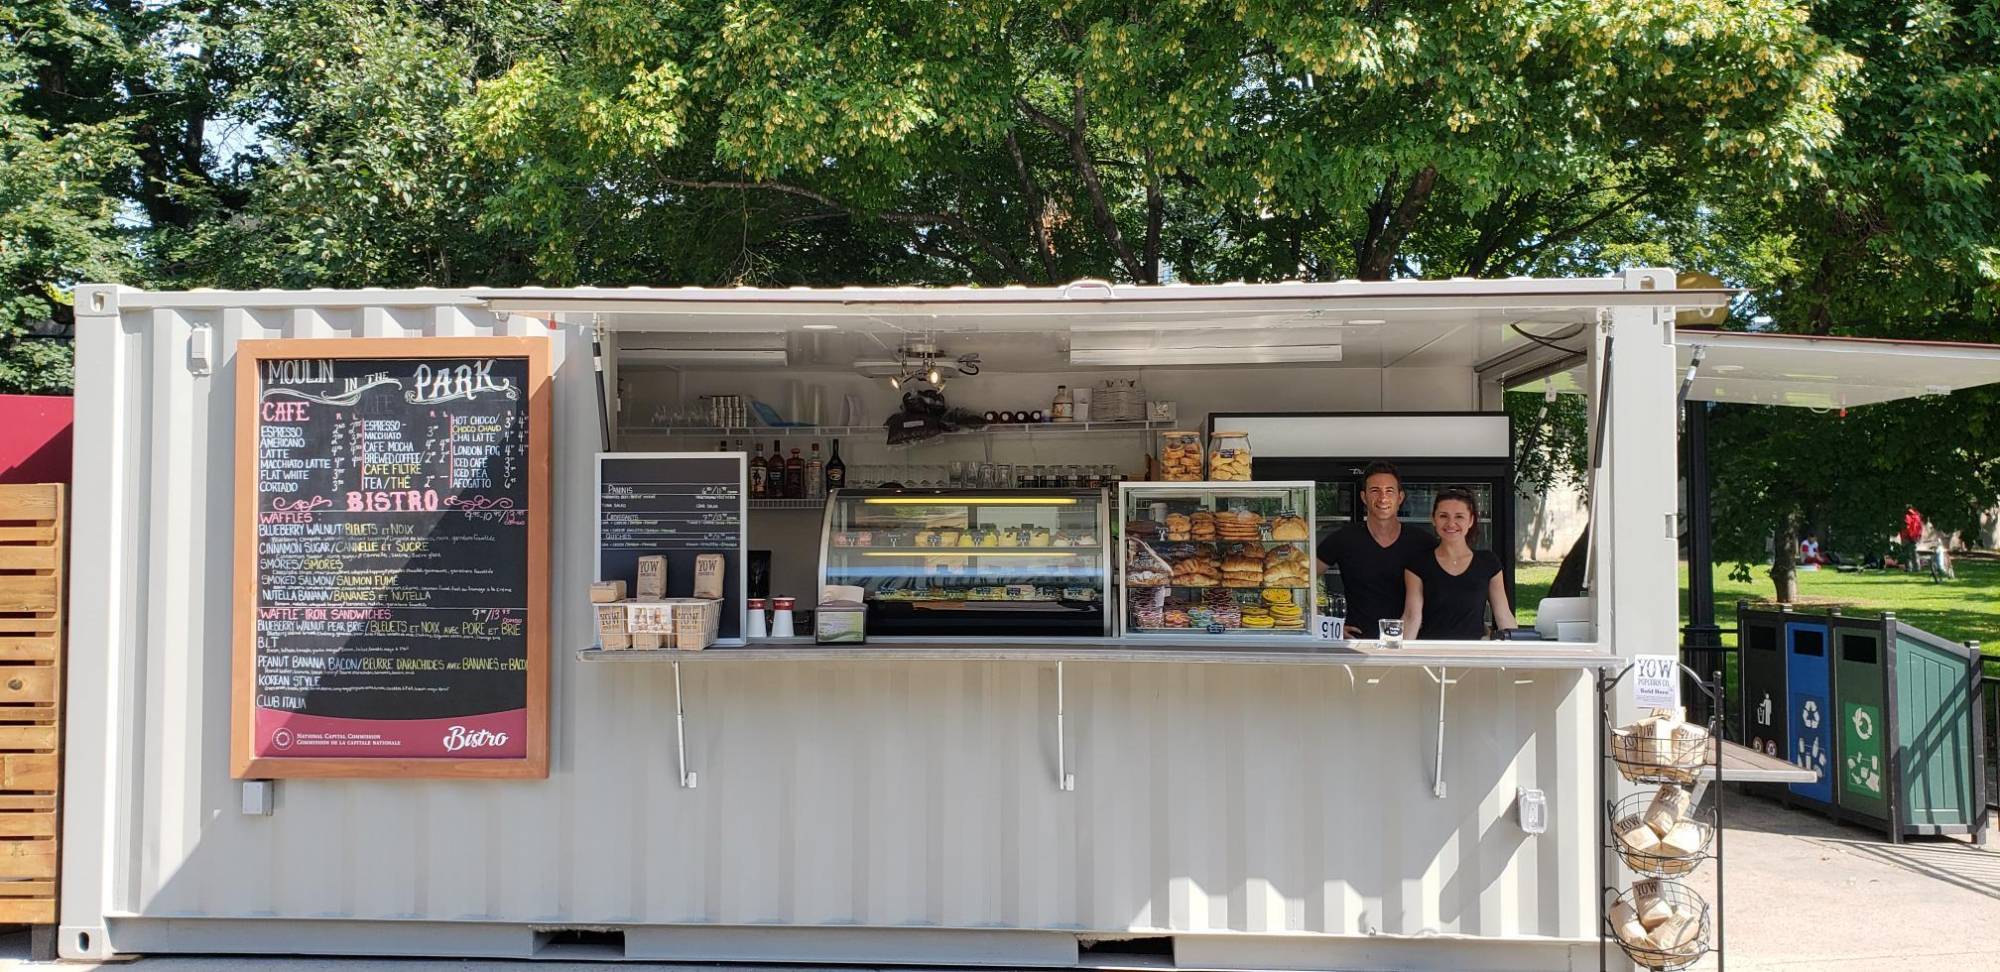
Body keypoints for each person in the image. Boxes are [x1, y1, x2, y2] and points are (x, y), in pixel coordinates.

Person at [1316, 460, 1435, 638]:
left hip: (1409, 644)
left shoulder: (1422, 542)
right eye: (1375, 491)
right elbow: (1303, 580)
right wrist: (1324, 624)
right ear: (1364, 497)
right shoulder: (1344, 538)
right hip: (1357, 645)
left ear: (1400, 497)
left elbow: (1447, 589)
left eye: (1389, 491)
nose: (1383, 498)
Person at [1402, 489, 1515, 640]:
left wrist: (1520, 651)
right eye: (1443, 516)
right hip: (1431, 653)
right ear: (1434, 519)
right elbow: (1411, 616)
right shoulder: (1418, 563)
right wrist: (1400, 656)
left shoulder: (1488, 563)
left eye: (1459, 517)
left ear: (1470, 520)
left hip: (1474, 654)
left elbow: (1503, 615)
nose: (1451, 523)